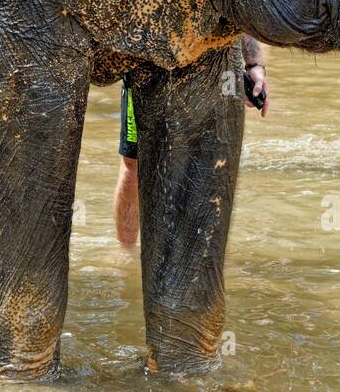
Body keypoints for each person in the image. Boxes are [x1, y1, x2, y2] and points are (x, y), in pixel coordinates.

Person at [112, 36, 269, 248]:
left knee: (217, 160)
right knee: (135, 164)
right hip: (148, 56)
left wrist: (255, 65)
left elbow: (241, 8)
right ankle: (125, 252)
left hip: (221, 62)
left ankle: (203, 254)